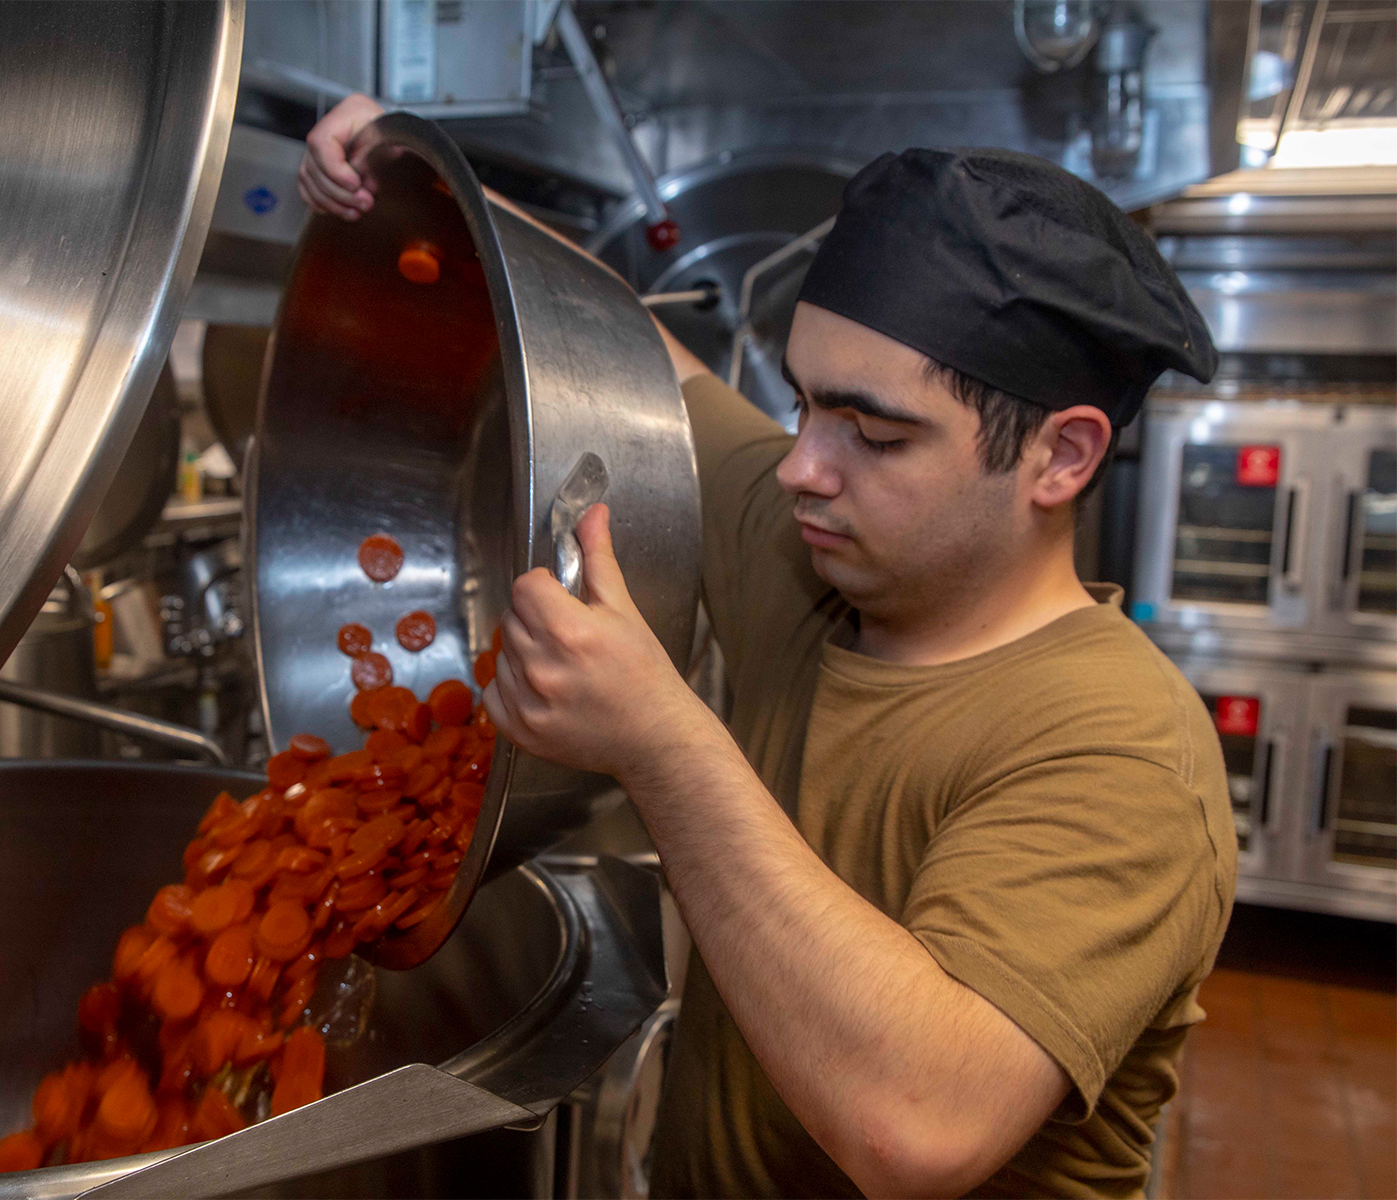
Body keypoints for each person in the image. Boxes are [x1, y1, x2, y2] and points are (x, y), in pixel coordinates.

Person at [301, 94, 1235, 1200]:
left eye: (875, 434)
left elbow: (917, 1126)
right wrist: (429, 176)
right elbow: (640, 362)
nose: (802, 467)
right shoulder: (822, 558)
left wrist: (659, 740)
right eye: (802, 407)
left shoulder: (1120, 750)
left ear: (1061, 457)